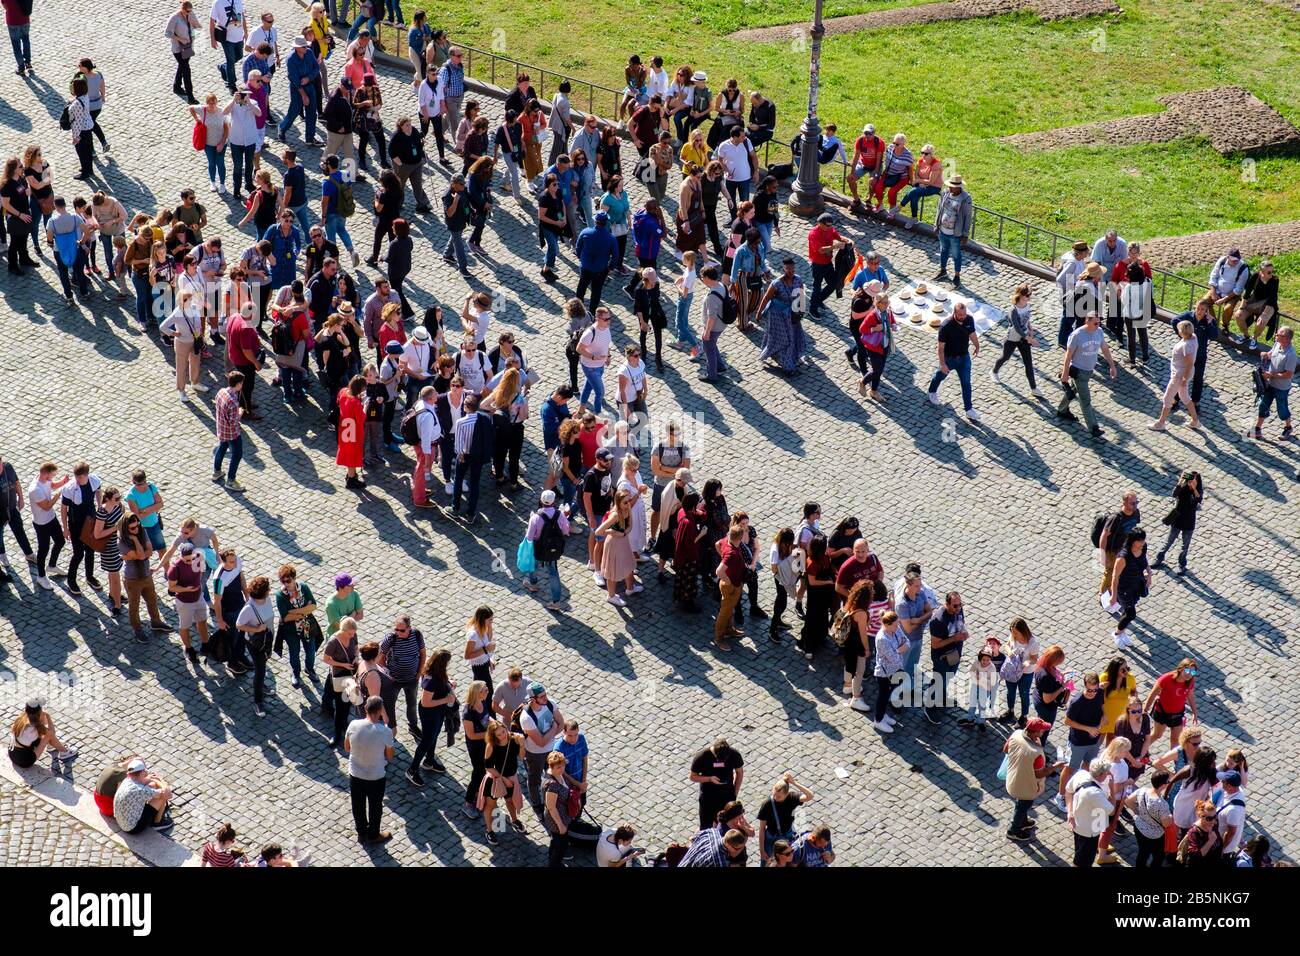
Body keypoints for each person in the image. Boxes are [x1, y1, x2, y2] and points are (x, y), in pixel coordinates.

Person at [1056, 311, 1118, 439]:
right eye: (1095, 323)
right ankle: (1093, 427)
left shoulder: (1099, 332)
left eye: (1099, 322)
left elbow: (1105, 349)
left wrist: (1112, 365)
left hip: (1089, 371)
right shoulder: (1077, 335)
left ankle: (1062, 410)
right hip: (1078, 371)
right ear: (1087, 321)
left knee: (1073, 390)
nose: (1098, 325)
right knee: (1086, 400)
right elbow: (1068, 355)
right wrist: (1065, 372)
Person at [344, 696, 394, 845]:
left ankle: (361, 831)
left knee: (357, 805)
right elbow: (390, 756)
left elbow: (347, 748)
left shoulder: (353, 725)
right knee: (375, 806)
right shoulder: (385, 731)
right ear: (379, 711)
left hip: (356, 773)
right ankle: (373, 835)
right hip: (375, 776)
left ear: (365, 708)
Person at [1054, 673, 1105, 812]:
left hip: (1093, 740)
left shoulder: (1100, 693)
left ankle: (1080, 787)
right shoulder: (1077, 701)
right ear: (1085, 686)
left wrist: (1103, 718)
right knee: (1070, 767)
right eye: (1089, 690)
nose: (1092, 693)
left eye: (1094, 690)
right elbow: (1067, 721)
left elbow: (1102, 706)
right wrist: (1088, 728)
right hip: (1077, 741)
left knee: (1088, 764)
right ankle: (1061, 795)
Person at [1004, 717, 1061, 841]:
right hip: (1025, 787)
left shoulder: (1016, 734)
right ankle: (1013, 831)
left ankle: (1023, 822)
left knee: (1021, 804)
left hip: (1013, 778)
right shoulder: (1036, 753)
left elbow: (1006, 749)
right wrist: (1055, 767)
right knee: (1022, 806)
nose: (1044, 732)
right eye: (1042, 730)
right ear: (1035, 732)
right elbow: (1040, 774)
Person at [927, 301, 982, 422]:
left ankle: (969, 410)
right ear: (954, 313)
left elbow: (972, 333)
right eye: (960, 315)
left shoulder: (969, 319)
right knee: (940, 375)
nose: (962, 317)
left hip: (964, 357)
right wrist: (942, 364)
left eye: (964, 314)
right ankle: (932, 390)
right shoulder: (946, 326)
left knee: (966, 383)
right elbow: (940, 347)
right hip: (950, 358)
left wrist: (977, 345)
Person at [991, 284, 1044, 397]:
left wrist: (1030, 328)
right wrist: (1029, 338)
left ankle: (1033, 388)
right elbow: (1016, 327)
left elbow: (1027, 320)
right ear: (1020, 295)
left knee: (1028, 363)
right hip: (1013, 338)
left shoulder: (1028, 306)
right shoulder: (1013, 310)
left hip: (1024, 338)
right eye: (1027, 295)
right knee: (1005, 357)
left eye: (1030, 295)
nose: (1029, 297)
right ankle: (994, 371)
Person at [235, 574, 276, 717]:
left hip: (267, 639)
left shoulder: (267, 600)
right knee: (260, 670)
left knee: (263, 664)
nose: (270, 590)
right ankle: (258, 702)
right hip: (255, 642)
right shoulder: (249, 608)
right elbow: (239, 625)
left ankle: (261, 686)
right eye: (268, 589)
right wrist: (257, 629)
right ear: (263, 592)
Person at [1066, 757, 1115, 867]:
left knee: (1079, 853)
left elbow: (1068, 792)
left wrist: (1070, 812)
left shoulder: (1081, 774)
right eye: (1107, 773)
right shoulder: (1095, 793)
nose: (1108, 775)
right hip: (1089, 832)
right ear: (1100, 775)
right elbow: (1112, 811)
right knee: (1082, 862)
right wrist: (1112, 789)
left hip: (1078, 824)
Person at [689, 737, 743, 830]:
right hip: (708, 798)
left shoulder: (734, 754)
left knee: (727, 826)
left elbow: (740, 773)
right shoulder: (702, 757)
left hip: (727, 797)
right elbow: (692, 777)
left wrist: (734, 793)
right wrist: (709, 779)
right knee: (706, 827)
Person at [1144, 659, 1199, 751]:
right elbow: (1152, 694)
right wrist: (1145, 710)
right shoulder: (1166, 679)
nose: (1189, 674)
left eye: (1193, 672)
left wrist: (1194, 713)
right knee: (1157, 735)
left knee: (1175, 740)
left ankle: (1176, 762)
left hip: (1177, 714)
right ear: (1181, 669)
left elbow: (1190, 696)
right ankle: (1141, 751)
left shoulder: (1190, 681)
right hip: (1162, 712)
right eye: (1187, 670)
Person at [1110, 528, 1151, 649]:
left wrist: (1149, 572)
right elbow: (1115, 577)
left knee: (1128, 611)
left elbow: (1144, 560)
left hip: (1137, 584)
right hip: (1124, 588)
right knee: (1131, 614)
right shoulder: (1123, 557)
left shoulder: (1143, 548)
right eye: (1140, 540)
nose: (1143, 543)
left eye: (1143, 540)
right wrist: (1113, 595)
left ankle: (1122, 632)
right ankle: (1117, 634)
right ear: (1133, 541)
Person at [1153, 471, 1201, 574]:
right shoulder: (1182, 487)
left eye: (1193, 480)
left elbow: (1198, 500)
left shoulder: (1197, 490)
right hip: (1178, 519)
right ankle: (1159, 559)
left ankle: (1181, 565)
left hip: (1189, 522)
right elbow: (1174, 494)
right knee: (1168, 541)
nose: (1190, 481)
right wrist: (1180, 482)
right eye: (1190, 479)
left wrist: (1194, 488)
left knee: (1185, 546)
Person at [1253, 325, 1296, 441]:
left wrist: (1271, 375)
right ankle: (1257, 429)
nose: (1276, 336)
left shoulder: (1291, 355)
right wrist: (1265, 355)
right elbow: (1271, 354)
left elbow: (1288, 374)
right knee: (1263, 405)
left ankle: (1288, 427)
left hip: (1281, 388)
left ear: (1287, 338)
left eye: (1279, 335)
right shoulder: (1277, 344)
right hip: (1270, 384)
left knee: (1282, 410)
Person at [8, 698, 77, 770]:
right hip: (25, 761)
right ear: (39, 714)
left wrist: (40, 716)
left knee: (45, 734)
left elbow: (42, 726)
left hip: (12, 754)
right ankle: (64, 752)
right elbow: (52, 732)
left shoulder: (21, 719)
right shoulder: (34, 728)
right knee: (48, 736)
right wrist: (48, 716)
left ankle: (51, 746)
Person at [113, 758, 173, 834]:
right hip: (132, 828)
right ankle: (157, 822)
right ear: (141, 773)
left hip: (121, 821)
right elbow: (168, 795)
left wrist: (151, 779)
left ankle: (157, 815)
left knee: (152, 786)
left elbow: (143, 782)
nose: (146, 772)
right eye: (145, 771)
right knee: (161, 797)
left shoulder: (127, 780)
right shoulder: (139, 790)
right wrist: (160, 781)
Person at [932, 175, 972, 286]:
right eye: (949, 186)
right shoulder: (945, 193)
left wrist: (965, 234)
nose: (950, 188)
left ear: (959, 187)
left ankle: (957, 275)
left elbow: (967, 217)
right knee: (943, 251)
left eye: (952, 187)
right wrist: (936, 224)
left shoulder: (965, 199)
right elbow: (939, 209)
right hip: (943, 230)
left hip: (955, 233)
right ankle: (943, 270)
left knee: (956, 255)